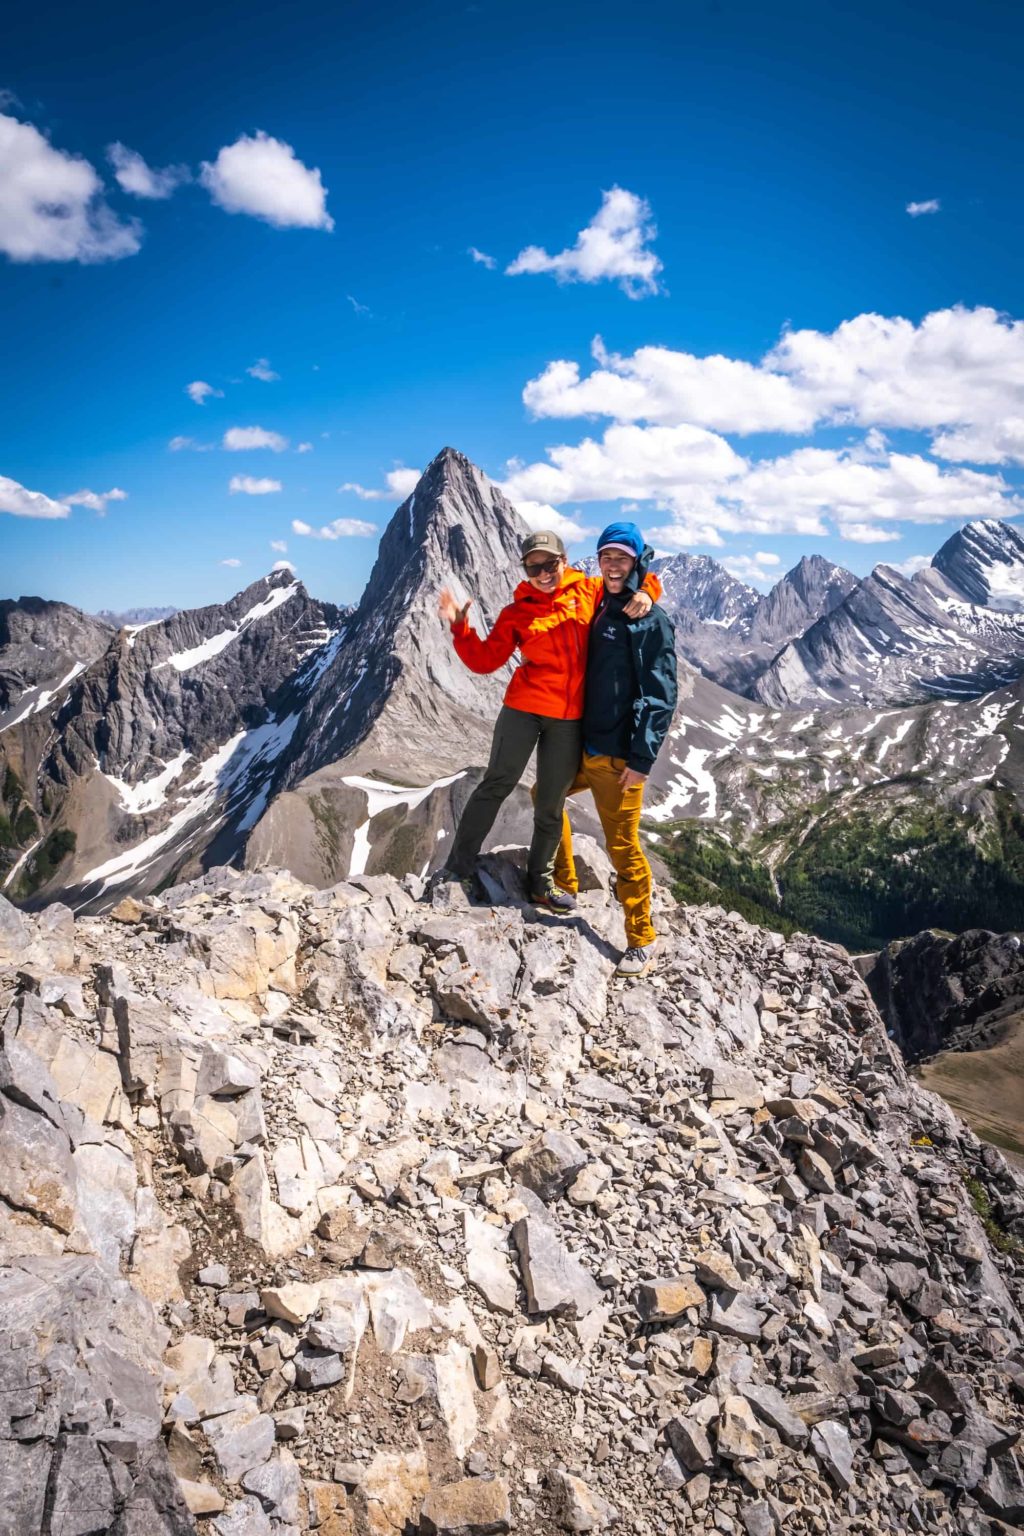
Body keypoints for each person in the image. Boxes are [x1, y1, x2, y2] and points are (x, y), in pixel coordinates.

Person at [437, 530, 662, 909]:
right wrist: (461, 627)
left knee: (551, 801)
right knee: (498, 782)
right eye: (533, 567)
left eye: (550, 564)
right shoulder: (517, 612)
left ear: (564, 560)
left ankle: (540, 884)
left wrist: (648, 593)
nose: (543, 573)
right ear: (525, 569)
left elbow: (635, 580)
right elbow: (485, 660)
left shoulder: (590, 591)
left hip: (569, 718)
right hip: (523, 710)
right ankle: (457, 866)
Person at [550, 522, 677, 976]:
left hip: (619, 757)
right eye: (606, 556)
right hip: (588, 745)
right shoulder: (601, 599)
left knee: (623, 847)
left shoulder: (650, 620)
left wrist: (642, 761)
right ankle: (564, 884)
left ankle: (641, 939)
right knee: (545, 797)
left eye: (622, 558)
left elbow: (661, 696)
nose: (613, 564)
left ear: (638, 561)